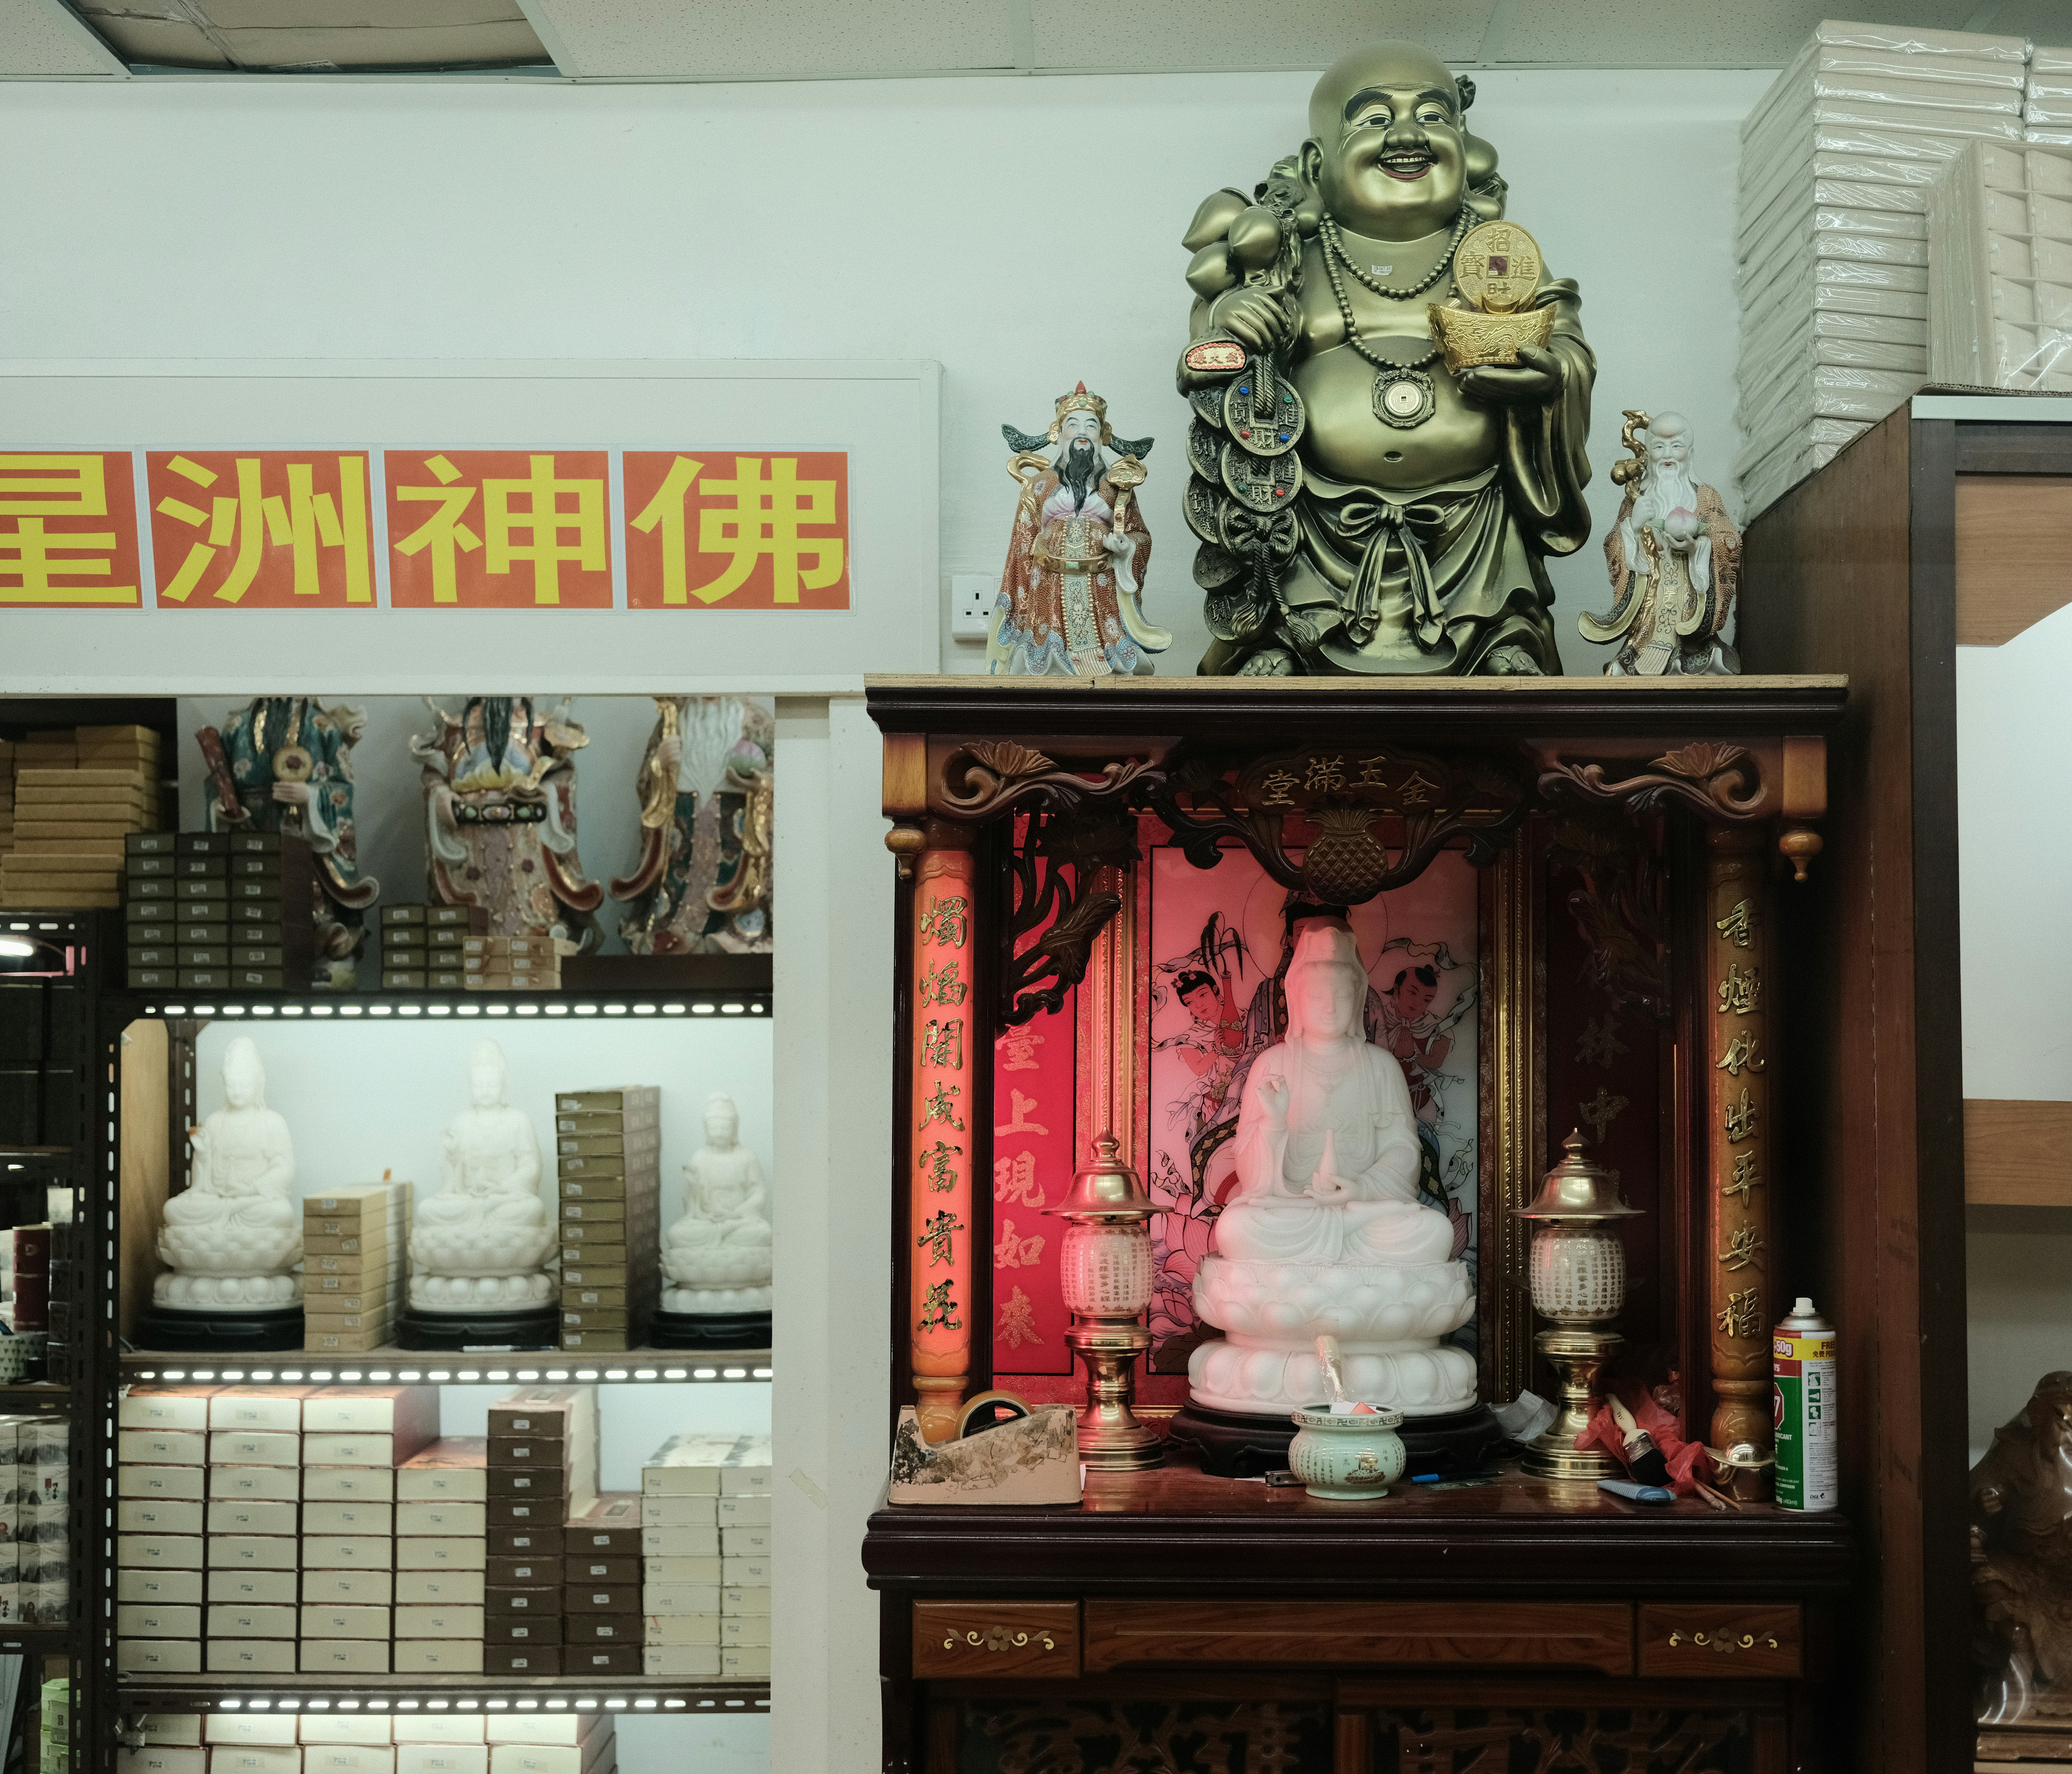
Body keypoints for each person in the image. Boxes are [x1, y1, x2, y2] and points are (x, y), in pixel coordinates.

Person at [1179, 39, 1595, 676]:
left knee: (1503, 613)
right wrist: (1231, 328)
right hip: (1316, 519)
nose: (1408, 135)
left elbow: (1565, 340)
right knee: (1273, 587)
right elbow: (1197, 371)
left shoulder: (1497, 256)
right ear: (1319, 162)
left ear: (1462, 142)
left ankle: (1496, 633)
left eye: (1432, 116)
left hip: (1470, 520)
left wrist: (1551, 376)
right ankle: (1280, 641)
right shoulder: (1290, 257)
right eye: (1374, 119)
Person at [1214, 923, 1455, 1267]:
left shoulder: (1380, 1067)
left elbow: (1403, 1151)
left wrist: (1363, 1189)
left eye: (1341, 996)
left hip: (1364, 1211)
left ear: (1357, 1000)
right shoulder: (1273, 1065)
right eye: (1316, 996)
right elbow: (1252, 1179)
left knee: (1432, 1230)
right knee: (1236, 1228)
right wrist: (1273, 1122)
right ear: (1296, 1000)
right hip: (1293, 1210)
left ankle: (1334, 1250)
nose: (1329, 1007)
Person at [988, 384, 1170, 676]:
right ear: (1058, 435)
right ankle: (1046, 654)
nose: (1082, 433)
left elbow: (1141, 536)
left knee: (1110, 657)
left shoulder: (1117, 486)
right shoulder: (1039, 485)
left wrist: (1126, 548)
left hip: (1102, 588)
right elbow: (1021, 545)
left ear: (1103, 436)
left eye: (1091, 426)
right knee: (1043, 659)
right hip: (1048, 589)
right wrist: (1022, 602)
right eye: (1073, 425)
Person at [157, 1036, 301, 1305]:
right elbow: (202, 1183)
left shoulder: (272, 1122)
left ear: (258, 1084)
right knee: (174, 1210)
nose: (236, 1090)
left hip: (252, 1202)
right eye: (231, 1084)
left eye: (244, 1084)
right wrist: (202, 1154)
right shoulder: (215, 1121)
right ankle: (222, 1239)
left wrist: (255, 1188)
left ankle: (205, 1269)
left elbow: (285, 1168)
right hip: (217, 1202)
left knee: (281, 1213)